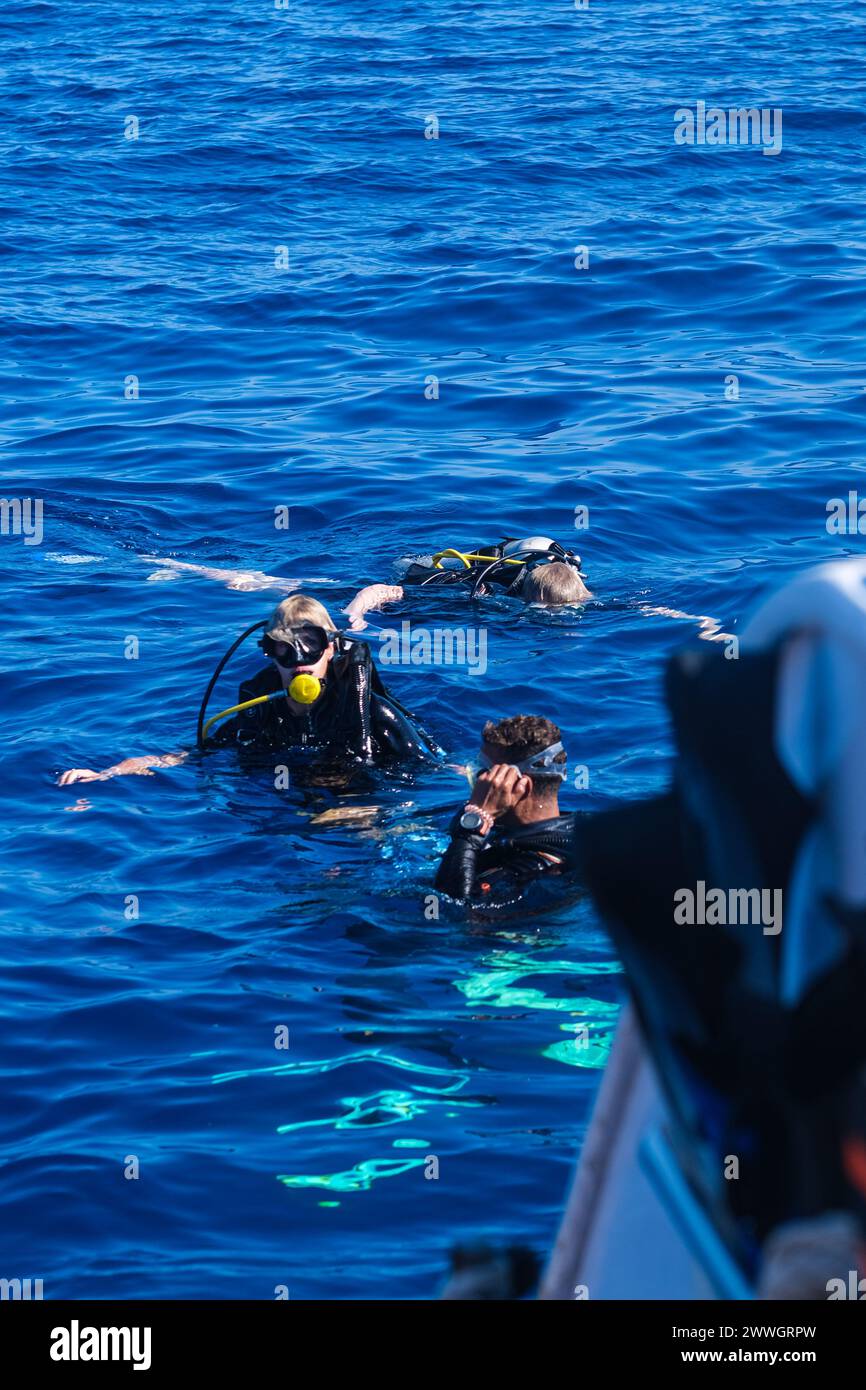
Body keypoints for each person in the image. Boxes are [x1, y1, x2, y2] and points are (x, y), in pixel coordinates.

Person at [58, 595, 435, 786]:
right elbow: (193, 755)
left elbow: (430, 769)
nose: (299, 661)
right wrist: (111, 772)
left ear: (332, 648)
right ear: (270, 655)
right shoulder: (260, 709)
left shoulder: (374, 713)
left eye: (311, 645)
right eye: (285, 650)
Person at [434, 714, 580, 906]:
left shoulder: (534, 873)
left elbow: (454, 911)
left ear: (520, 786)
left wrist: (470, 828)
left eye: (485, 775)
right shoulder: (576, 830)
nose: (478, 785)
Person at [344, 537, 591, 629]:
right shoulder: (482, 593)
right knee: (402, 565)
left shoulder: (576, 590)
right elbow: (380, 590)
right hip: (434, 577)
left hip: (529, 560)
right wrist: (355, 611)